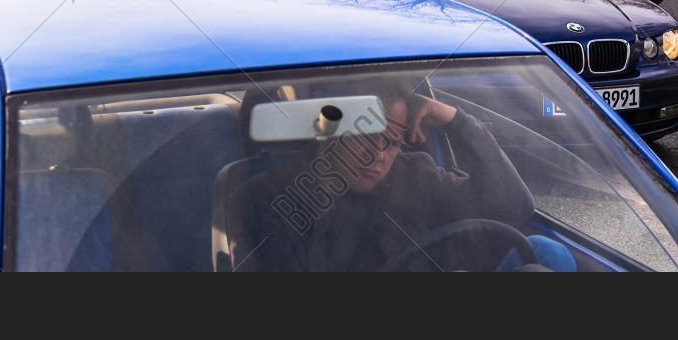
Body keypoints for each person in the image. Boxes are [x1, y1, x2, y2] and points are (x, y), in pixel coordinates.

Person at [229, 85, 571, 271]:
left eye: (390, 142)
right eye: (363, 135)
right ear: (329, 130)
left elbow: (511, 208)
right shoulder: (271, 197)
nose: (376, 156)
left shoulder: (416, 175)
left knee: (546, 255)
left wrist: (453, 120)